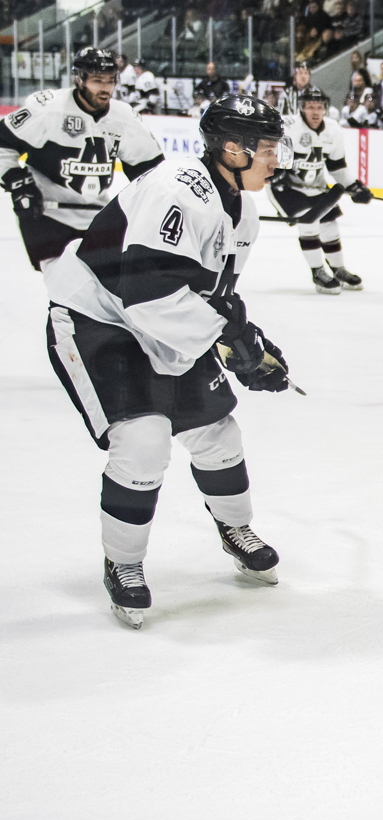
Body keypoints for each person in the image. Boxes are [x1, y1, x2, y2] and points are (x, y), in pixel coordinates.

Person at [39, 94, 297, 628]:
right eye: (269, 149)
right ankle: (124, 564)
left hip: (154, 317)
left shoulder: (241, 210)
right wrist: (228, 344)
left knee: (217, 433)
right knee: (144, 441)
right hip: (96, 320)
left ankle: (235, 529)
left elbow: (214, 294)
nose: (278, 160)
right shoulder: (176, 191)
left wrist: (247, 339)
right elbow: (147, 291)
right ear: (233, 149)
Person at [1, 48, 165, 269]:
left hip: (97, 216)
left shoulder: (124, 118)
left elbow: (152, 171)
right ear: (79, 79)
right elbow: (3, 143)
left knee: (109, 288)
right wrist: (20, 184)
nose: (105, 88)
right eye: (98, 80)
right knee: (66, 284)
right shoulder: (48, 109)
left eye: (110, 81)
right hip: (47, 214)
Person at [273, 86, 375, 293]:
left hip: (316, 187)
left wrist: (354, 186)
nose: (315, 112)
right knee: (309, 223)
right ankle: (317, 271)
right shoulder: (289, 127)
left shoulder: (333, 130)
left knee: (330, 226)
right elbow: (278, 164)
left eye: (319, 107)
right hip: (287, 188)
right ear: (302, 108)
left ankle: (338, 269)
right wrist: (276, 173)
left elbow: (337, 167)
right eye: (310, 107)